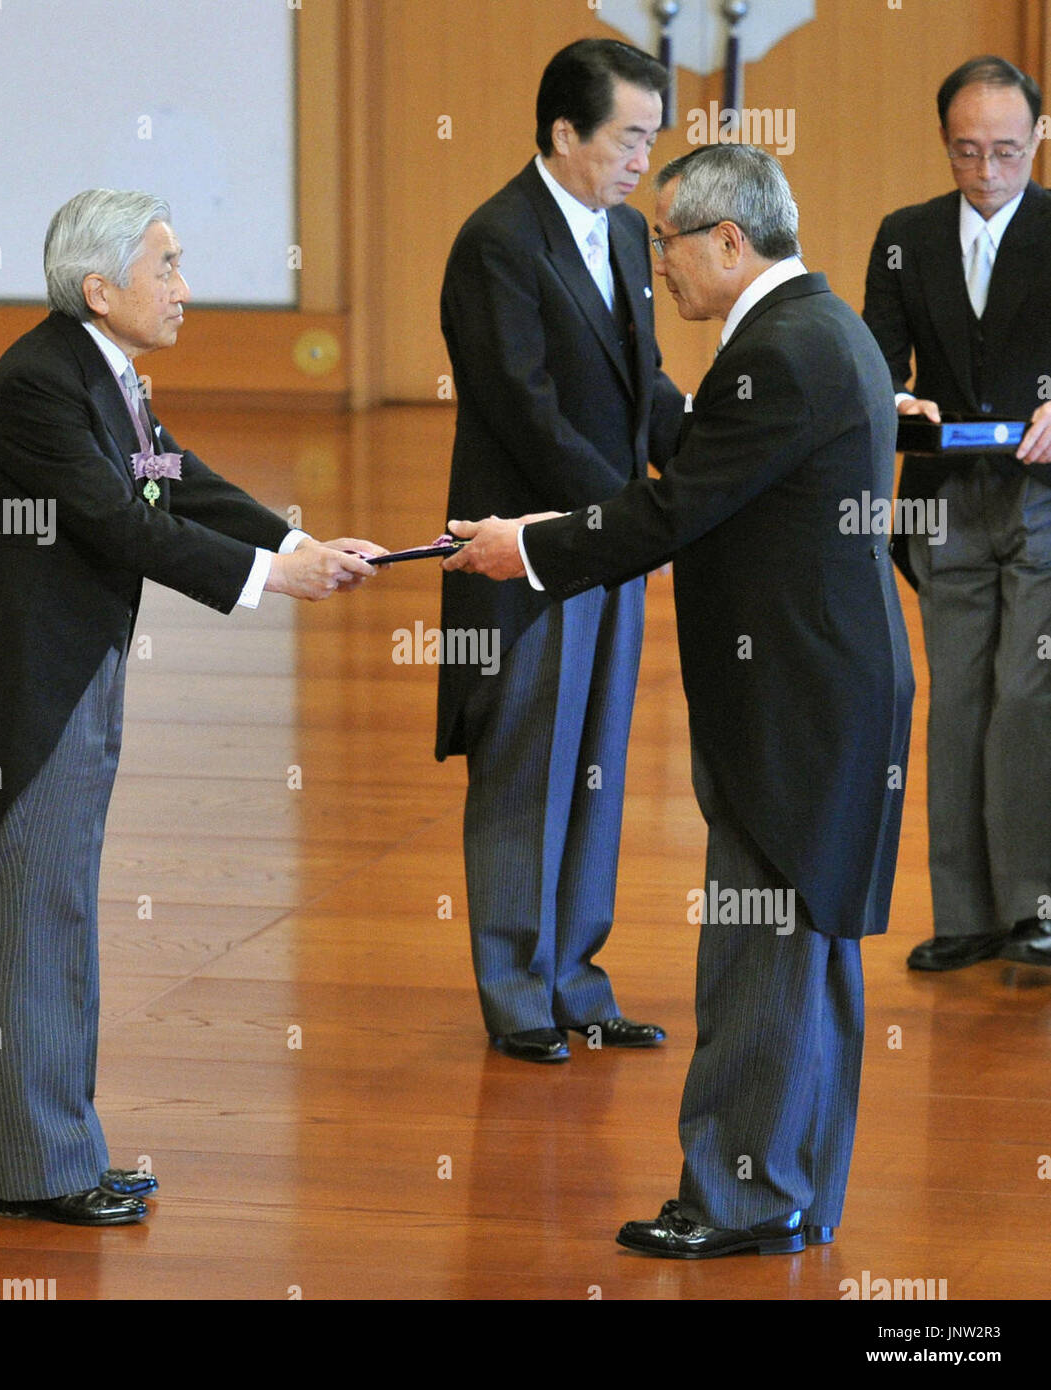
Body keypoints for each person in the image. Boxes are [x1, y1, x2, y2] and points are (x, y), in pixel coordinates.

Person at [445, 144, 914, 1257]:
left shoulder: (787, 352)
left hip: (798, 707)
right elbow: (705, 460)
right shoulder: (814, 328)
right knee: (802, 950)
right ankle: (790, 1191)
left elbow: (671, 513)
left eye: (666, 241)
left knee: (763, 952)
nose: (655, 264)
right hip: (823, 693)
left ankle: (740, 1201)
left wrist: (530, 547)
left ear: (727, 240)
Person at [0, 189, 384, 1226]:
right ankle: (37, 1170)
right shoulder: (39, 387)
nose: (186, 288)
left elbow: (171, 482)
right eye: (166, 267)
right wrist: (272, 580)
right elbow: (121, 524)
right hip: (33, 678)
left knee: (66, 904)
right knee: (34, 910)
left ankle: (67, 1146)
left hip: (76, 661)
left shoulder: (102, 372)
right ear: (101, 289)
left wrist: (294, 545)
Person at [436, 38, 686, 1064]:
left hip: (604, 549)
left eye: (651, 138)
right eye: (629, 138)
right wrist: (629, 517)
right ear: (564, 133)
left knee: (593, 765)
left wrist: (715, 457)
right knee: (525, 768)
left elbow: (650, 395)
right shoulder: (497, 242)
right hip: (527, 557)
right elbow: (527, 415)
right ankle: (517, 992)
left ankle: (578, 978)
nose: (642, 160)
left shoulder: (627, 234)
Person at [863, 55, 1051, 973]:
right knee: (960, 700)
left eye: (1006, 152)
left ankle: (1035, 909)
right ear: (942, 143)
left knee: (1027, 693)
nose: (986, 173)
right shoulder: (904, 237)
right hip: (943, 499)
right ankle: (967, 914)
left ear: (1038, 140)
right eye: (966, 152)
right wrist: (897, 404)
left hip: (1043, 493)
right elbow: (873, 361)